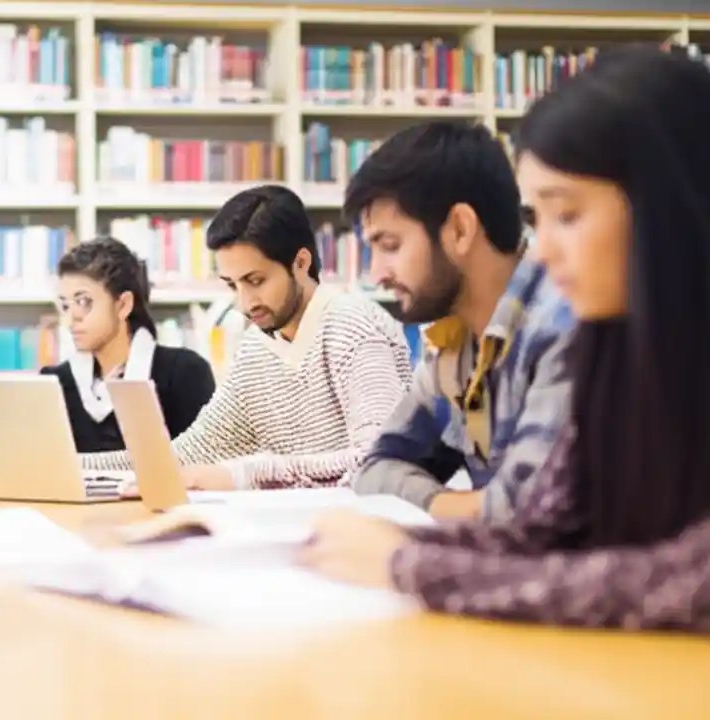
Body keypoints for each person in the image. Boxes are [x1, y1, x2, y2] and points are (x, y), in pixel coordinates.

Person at [300, 46, 710, 631]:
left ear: (669, 206)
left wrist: (405, 564)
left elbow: (679, 583)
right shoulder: (614, 351)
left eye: (566, 215)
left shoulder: (570, 329)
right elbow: (546, 532)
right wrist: (395, 542)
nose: (541, 251)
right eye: (536, 218)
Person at [83, 185, 412, 490]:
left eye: (255, 280)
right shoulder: (257, 347)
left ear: (300, 263)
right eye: (232, 285)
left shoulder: (354, 327)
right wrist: (75, 467)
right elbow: (189, 455)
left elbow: (380, 461)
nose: (244, 303)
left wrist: (243, 474)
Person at [345, 121, 575, 521]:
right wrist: (448, 505)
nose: (377, 273)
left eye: (390, 245)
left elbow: (534, 515)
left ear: (460, 229)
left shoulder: (561, 321)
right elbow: (376, 467)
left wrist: (462, 510)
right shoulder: (452, 345)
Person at [41, 237, 215, 453]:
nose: (71, 318)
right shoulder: (54, 383)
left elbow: (199, 460)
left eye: (84, 302)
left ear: (123, 305)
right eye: (65, 305)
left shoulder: (184, 373)